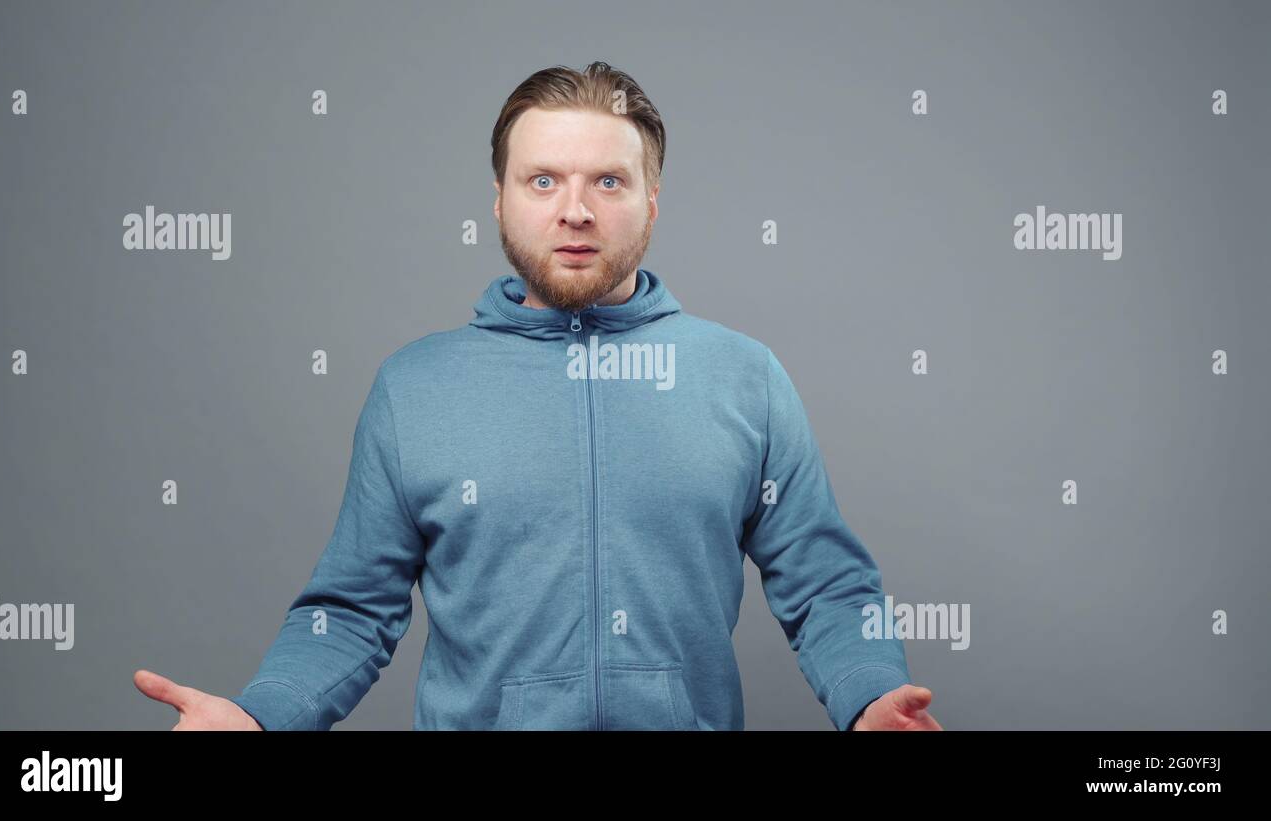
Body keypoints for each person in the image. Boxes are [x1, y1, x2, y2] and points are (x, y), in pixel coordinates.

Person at [135, 61, 942, 732]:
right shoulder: (415, 388)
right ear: (500, 199)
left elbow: (827, 584)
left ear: (652, 200)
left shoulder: (744, 377)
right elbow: (350, 608)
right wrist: (261, 716)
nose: (576, 209)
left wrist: (869, 695)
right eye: (544, 179)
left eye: (609, 181)